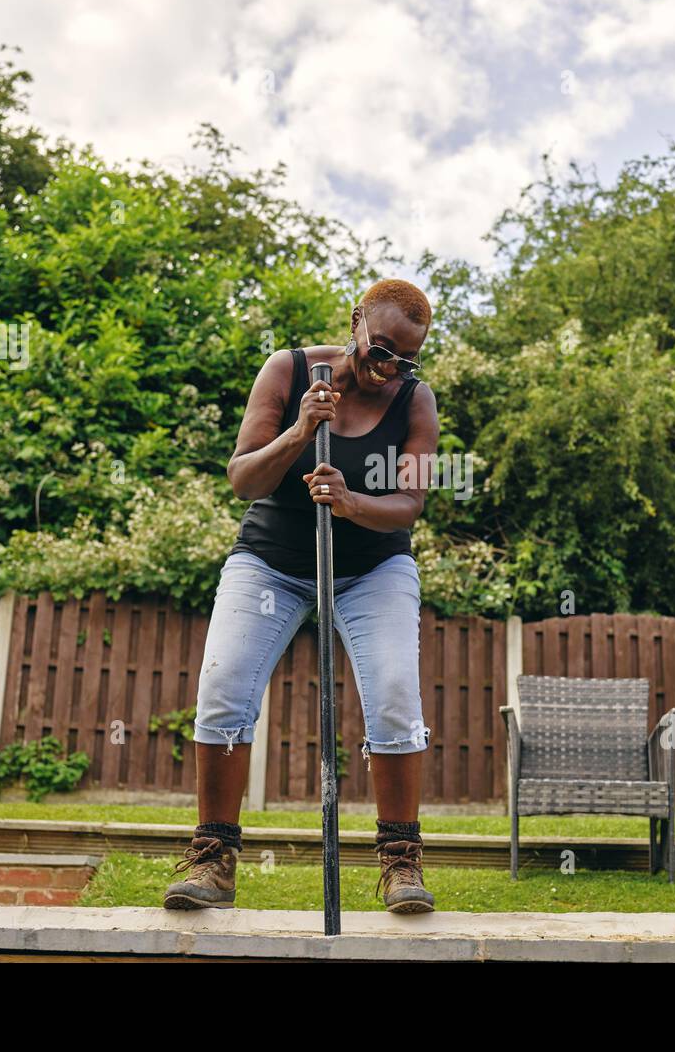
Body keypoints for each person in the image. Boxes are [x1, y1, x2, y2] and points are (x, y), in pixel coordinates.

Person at [164, 278, 441, 914]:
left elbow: (410, 506)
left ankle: (401, 860)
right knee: (224, 683)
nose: (388, 367)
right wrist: (298, 432)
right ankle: (215, 858)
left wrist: (349, 502)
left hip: (373, 567)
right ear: (355, 324)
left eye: (405, 358)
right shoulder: (287, 370)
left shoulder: (416, 401)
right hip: (272, 561)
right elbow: (242, 477)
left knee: (397, 693)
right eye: (381, 349)